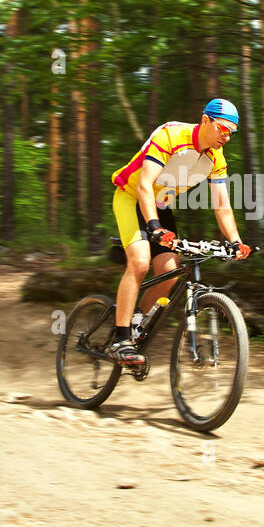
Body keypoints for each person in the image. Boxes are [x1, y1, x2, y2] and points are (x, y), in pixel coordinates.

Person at [106, 98, 251, 367]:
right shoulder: (172, 134)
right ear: (205, 120)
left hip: (159, 206)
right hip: (131, 196)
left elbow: (222, 206)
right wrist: (153, 226)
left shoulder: (216, 158)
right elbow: (145, 185)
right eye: (223, 128)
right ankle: (121, 338)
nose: (227, 137)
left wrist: (236, 241)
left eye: (232, 132)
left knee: (170, 272)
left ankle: (136, 321)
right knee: (139, 262)